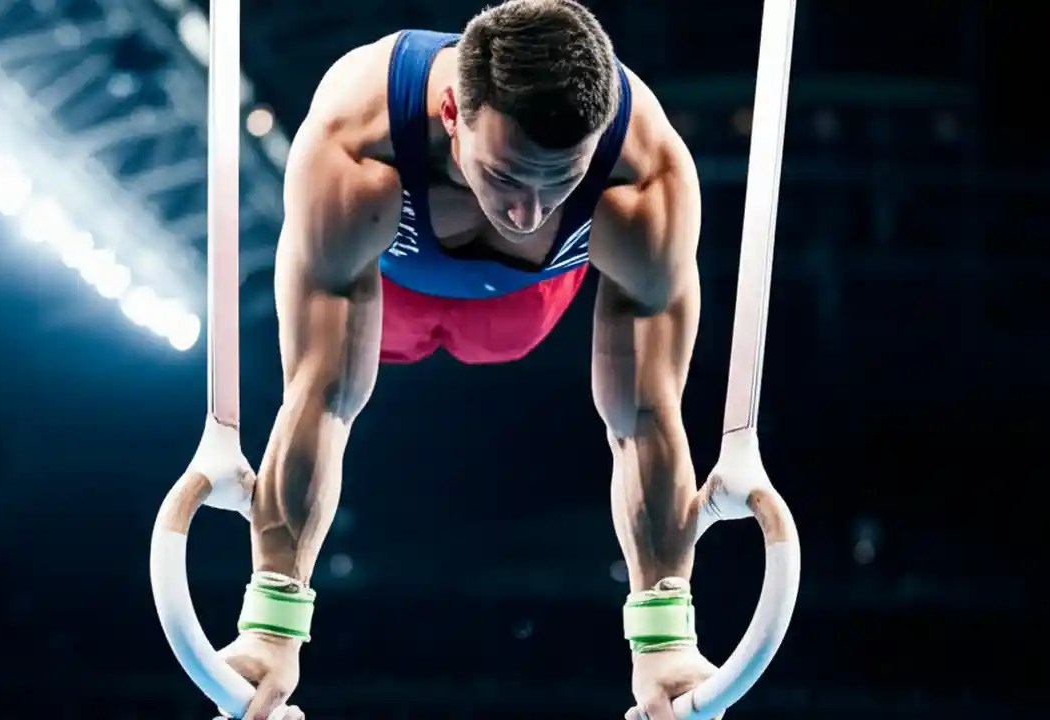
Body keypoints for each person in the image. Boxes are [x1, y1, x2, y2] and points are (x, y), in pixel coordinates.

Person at [218, 2, 716, 718]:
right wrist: (271, 624)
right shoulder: (356, 148)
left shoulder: (644, 184)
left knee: (606, 333)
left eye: (561, 179)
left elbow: (643, 417)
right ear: (451, 111)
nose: (529, 213)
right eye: (507, 175)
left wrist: (664, 642)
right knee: (334, 369)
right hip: (389, 287)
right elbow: (321, 395)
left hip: (525, 308)